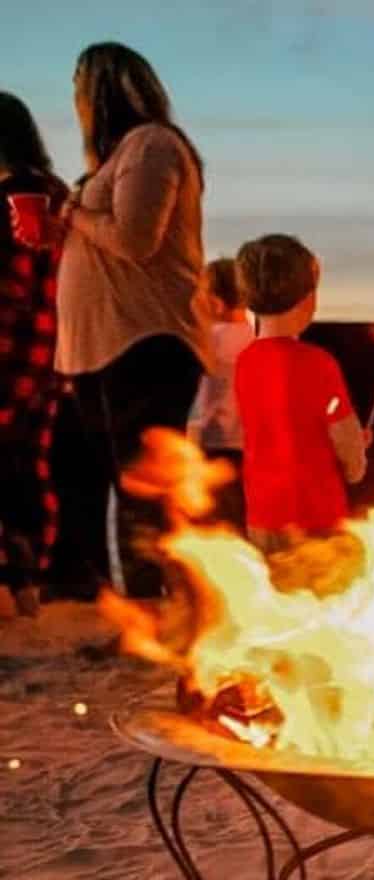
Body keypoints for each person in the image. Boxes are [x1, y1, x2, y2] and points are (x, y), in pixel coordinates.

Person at [53, 42, 211, 599]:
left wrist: (72, 211)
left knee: (143, 488)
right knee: (110, 481)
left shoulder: (152, 146)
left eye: (79, 87)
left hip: (145, 341)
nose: (76, 101)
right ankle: (137, 607)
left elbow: (136, 239)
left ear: (102, 92)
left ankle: (156, 609)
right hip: (103, 346)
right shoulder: (119, 157)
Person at [233, 234, 367, 554]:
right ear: (309, 298)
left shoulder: (245, 361)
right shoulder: (318, 363)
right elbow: (345, 438)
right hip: (317, 514)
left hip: (262, 513)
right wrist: (356, 461)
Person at [0, 93, 67, 616]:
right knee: (26, 463)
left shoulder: (14, 193)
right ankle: (27, 584)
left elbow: (15, 279)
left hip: (10, 342)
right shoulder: (56, 193)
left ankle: (12, 582)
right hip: (46, 348)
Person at [186, 257, 252, 530]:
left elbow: (196, 404)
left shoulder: (208, 342)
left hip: (213, 446)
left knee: (212, 530)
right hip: (249, 450)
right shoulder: (255, 341)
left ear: (215, 302)